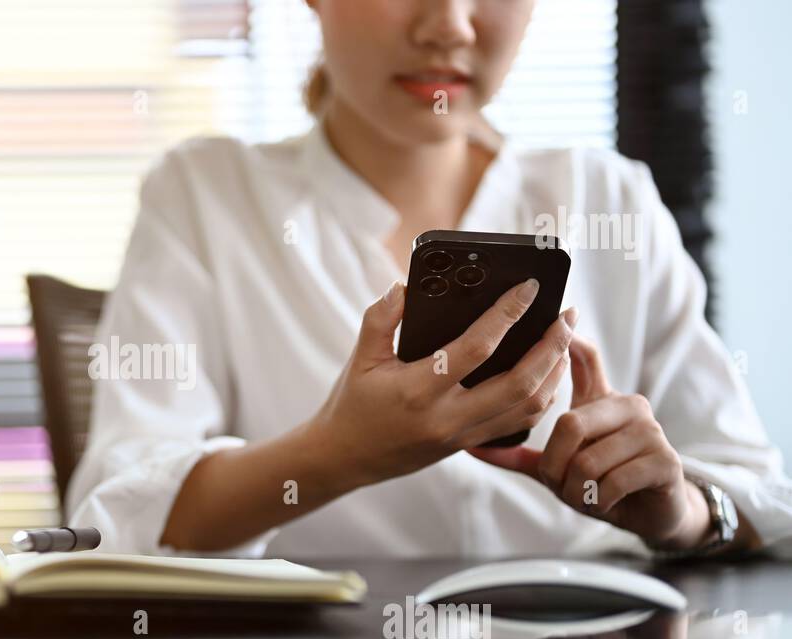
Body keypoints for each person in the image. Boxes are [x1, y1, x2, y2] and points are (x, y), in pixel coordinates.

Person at [66, 0, 792, 560]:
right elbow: (112, 514)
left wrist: (679, 512)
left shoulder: (607, 198)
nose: (448, 26)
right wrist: (335, 452)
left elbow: (761, 496)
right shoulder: (204, 195)